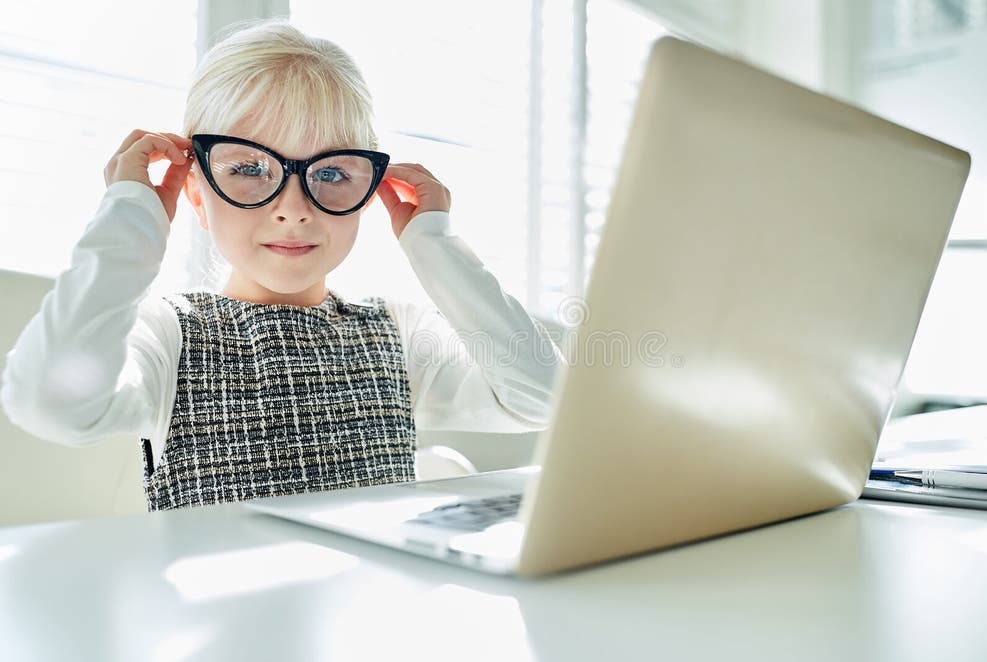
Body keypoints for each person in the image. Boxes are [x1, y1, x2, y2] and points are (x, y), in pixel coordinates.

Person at [0, 19, 564, 511]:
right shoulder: (167, 335)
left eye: (331, 173)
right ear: (196, 193)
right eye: (249, 169)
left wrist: (434, 245)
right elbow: (49, 403)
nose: (293, 210)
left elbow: (545, 397)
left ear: (370, 190)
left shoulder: (398, 334)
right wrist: (132, 219)